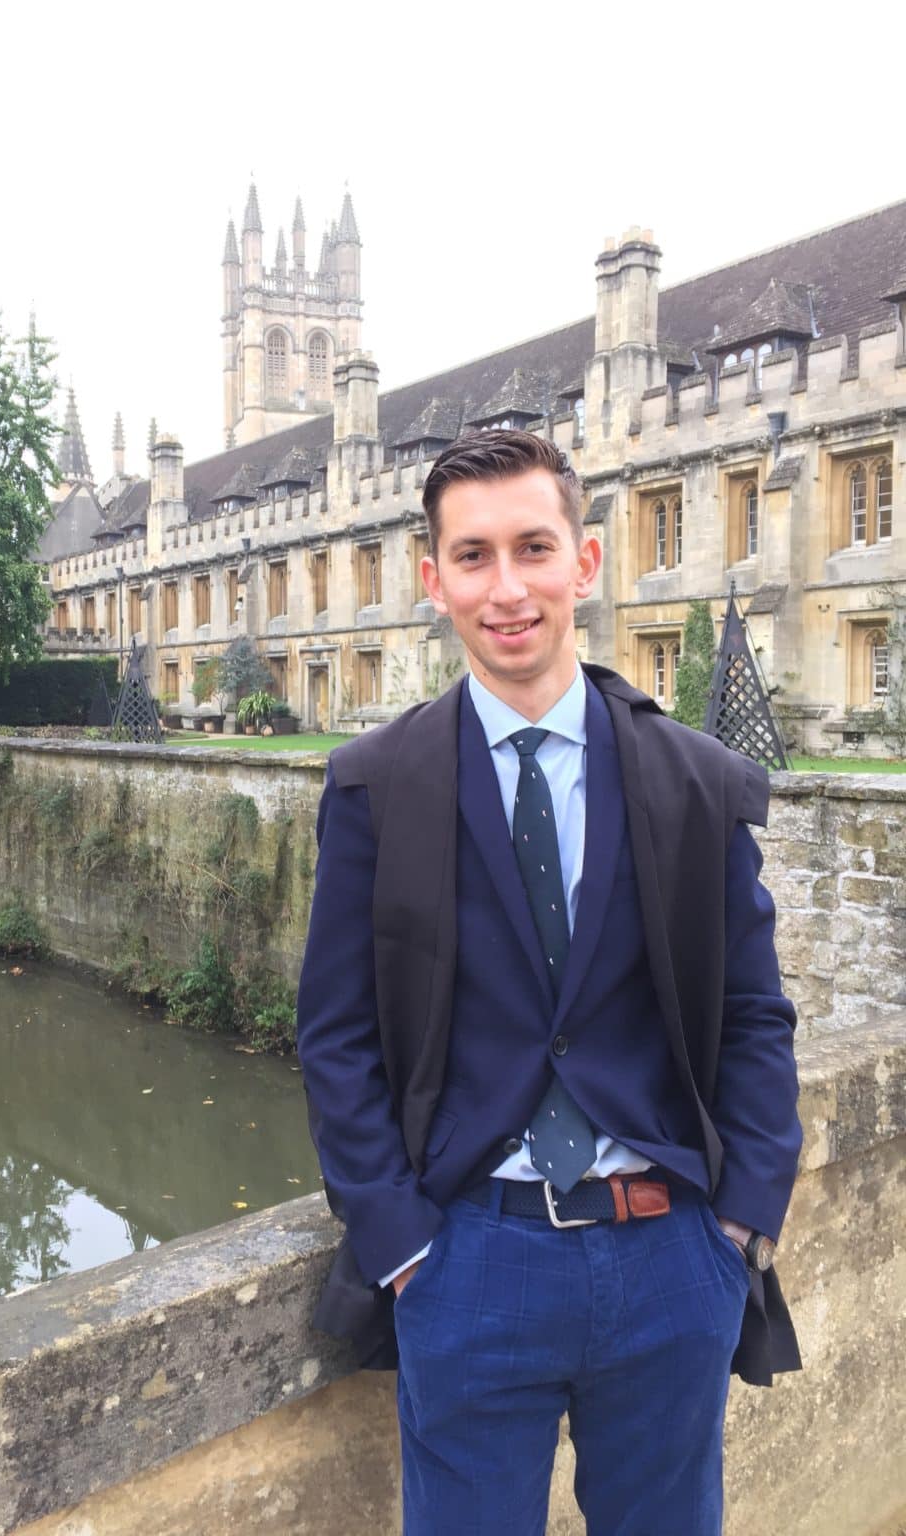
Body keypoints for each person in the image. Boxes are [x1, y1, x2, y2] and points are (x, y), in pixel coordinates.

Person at [296, 430, 801, 1535]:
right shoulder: (375, 786)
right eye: (473, 556)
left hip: (671, 1254)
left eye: (534, 547)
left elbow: (756, 1015)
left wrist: (745, 1217)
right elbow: (335, 1036)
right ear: (433, 582)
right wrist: (401, 1242)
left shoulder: (696, 780)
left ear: (588, 560)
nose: (507, 586)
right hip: (471, 1262)